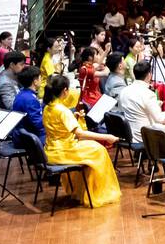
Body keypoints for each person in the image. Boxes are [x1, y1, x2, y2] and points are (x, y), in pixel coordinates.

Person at [42, 74, 121, 208]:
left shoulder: (47, 107)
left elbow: (59, 127)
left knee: (93, 149)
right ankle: (94, 193)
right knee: (99, 150)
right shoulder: (62, 110)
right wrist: (107, 137)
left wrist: (74, 117)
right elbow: (80, 134)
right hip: (64, 151)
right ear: (65, 91)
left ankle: (82, 191)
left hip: (51, 149)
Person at [116, 60, 165, 143]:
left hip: (127, 134)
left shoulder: (124, 91)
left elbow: (124, 111)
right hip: (144, 136)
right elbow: (160, 119)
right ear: (149, 75)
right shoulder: (148, 94)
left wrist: (155, 105)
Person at [10, 66, 46, 144]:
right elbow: (38, 125)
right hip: (27, 138)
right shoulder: (31, 99)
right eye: (40, 78)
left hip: (19, 134)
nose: (41, 80)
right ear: (35, 81)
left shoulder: (21, 93)